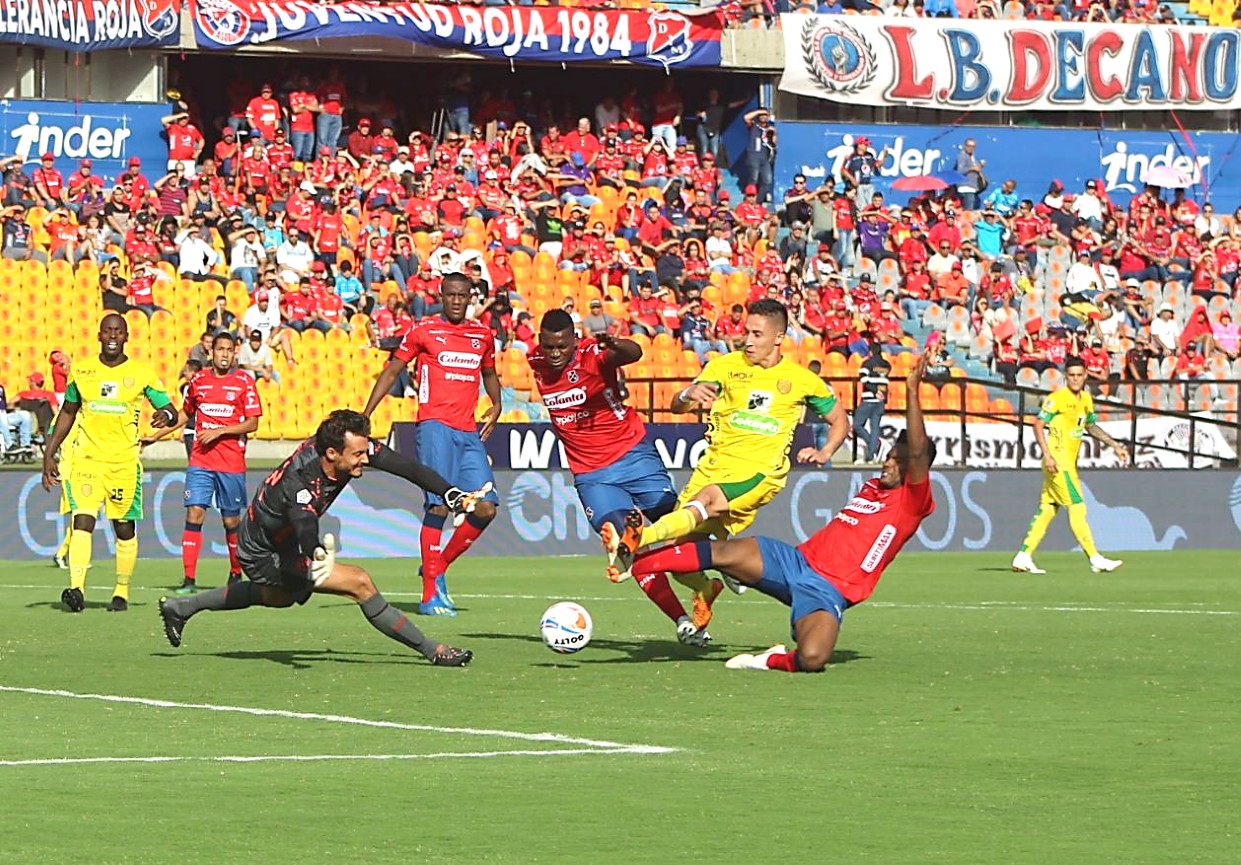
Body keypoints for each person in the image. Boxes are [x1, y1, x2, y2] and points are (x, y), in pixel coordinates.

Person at [618, 347, 938, 672]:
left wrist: (911, 390)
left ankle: (768, 659)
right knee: (720, 551)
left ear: (916, 467)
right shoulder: (874, 486)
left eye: (899, 460)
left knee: (813, 658)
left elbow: (917, 449)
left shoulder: (913, 500)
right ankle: (639, 562)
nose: (889, 462)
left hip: (828, 591)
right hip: (794, 562)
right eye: (890, 455)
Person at [157, 410, 483, 667]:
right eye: (357, 455)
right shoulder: (301, 480)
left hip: (280, 542)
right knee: (360, 583)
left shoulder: (348, 449)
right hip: (262, 552)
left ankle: (182, 607)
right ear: (331, 453)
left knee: (281, 597)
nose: (365, 459)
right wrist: (314, 552)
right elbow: (304, 523)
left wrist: (449, 492)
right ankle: (433, 650)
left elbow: (408, 468)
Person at [601, 299, 851, 631]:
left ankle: (638, 538)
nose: (747, 340)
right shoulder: (725, 366)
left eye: (757, 334)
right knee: (681, 557)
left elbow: (839, 420)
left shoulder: (801, 380)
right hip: (714, 465)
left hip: (757, 473)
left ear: (778, 338)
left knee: (706, 499)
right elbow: (677, 406)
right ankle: (709, 586)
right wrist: (690, 392)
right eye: (746, 332)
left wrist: (825, 452)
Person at [527, 310, 709, 647]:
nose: (554, 353)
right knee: (624, 541)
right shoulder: (534, 358)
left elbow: (631, 354)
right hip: (593, 476)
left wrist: (616, 344)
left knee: (682, 530)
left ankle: (718, 573)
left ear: (574, 341)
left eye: (561, 347)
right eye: (548, 346)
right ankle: (682, 620)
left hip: (634, 457)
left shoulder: (593, 357)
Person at [362, 272, 502, 616]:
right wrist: (366, 414)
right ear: (441, 295)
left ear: (471, 297)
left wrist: (496, 404)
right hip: (435, 427)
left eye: (462, 295)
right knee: (439, 506)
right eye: (450, 295)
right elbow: (393, 370)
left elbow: (489, 373)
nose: (456, 300)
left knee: (486, 508)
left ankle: (435, 567)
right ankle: (429, 596)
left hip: (469, 432)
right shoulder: (424, 331)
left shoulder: (482, 335)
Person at [41, 313, 179, 613]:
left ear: (127, 336)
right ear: (99, 335)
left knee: (124, 528)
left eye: (119, 331)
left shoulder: (141, 373)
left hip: (124, 464)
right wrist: (49, 452)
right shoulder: (83, 370)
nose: (113, 335)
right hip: (87, 461)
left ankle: (121, 590)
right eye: (108, 331)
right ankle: (76, 588)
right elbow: (67, 412)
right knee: (82, 520)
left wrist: (165, 416)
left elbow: (170, 409)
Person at [164, 332, 264, 594]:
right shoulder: (199, 380)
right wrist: (155, 436)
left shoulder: (244, 381)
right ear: (212, 352)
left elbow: (253, 423)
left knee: (231, 521)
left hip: (230, 462)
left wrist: (220, 431)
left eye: (229, 350)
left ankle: (235, 571)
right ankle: (188, 580)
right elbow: (185, 413)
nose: (224, 354)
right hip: (201, 459)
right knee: (194, 512)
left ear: (235, 353)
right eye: (220, 349)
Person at [1011, 358, 1128, 576]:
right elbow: (1038, 424)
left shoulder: (1085, 399)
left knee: (1048, 509)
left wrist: (1114, 445)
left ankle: (1024, 555)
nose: (1075, 379)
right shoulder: (1057, 399)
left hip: (1068, 464)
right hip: (1057, 463)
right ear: (1066, 377)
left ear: (1085, 376)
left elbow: (1091, 426)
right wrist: (1047, 455)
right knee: (1077, 506)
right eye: (1071, 375)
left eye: (1079, 375)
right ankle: (1095, 558)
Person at [854, 354, 890, 464]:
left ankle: (874, 445)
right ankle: (870, 456)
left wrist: (875, 392)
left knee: (857, 425)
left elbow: (863, 379)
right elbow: (885, 382)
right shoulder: (886, 365)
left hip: (869, 399)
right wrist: (883, 395)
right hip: (880, 401)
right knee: (875, 428)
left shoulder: (867, 364)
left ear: (870, 352)